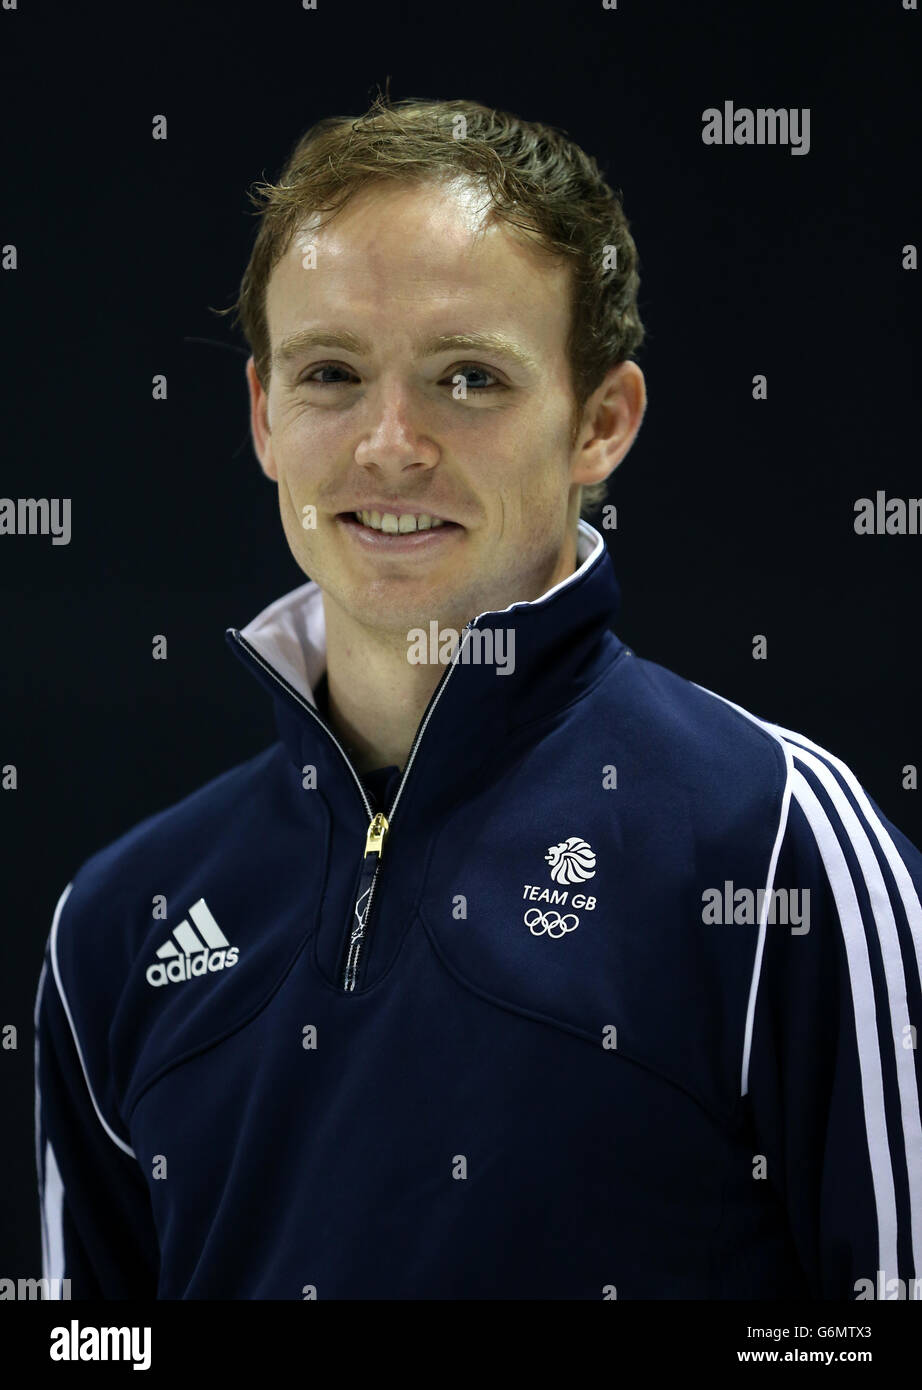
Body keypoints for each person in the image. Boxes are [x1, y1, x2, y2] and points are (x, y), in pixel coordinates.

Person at [34, 95, 922, 1301]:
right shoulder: (117, 918)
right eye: (332, 373)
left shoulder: (774, 842)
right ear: (263, 417)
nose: (391, 445)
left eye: (468, 377)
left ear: (600, 421)